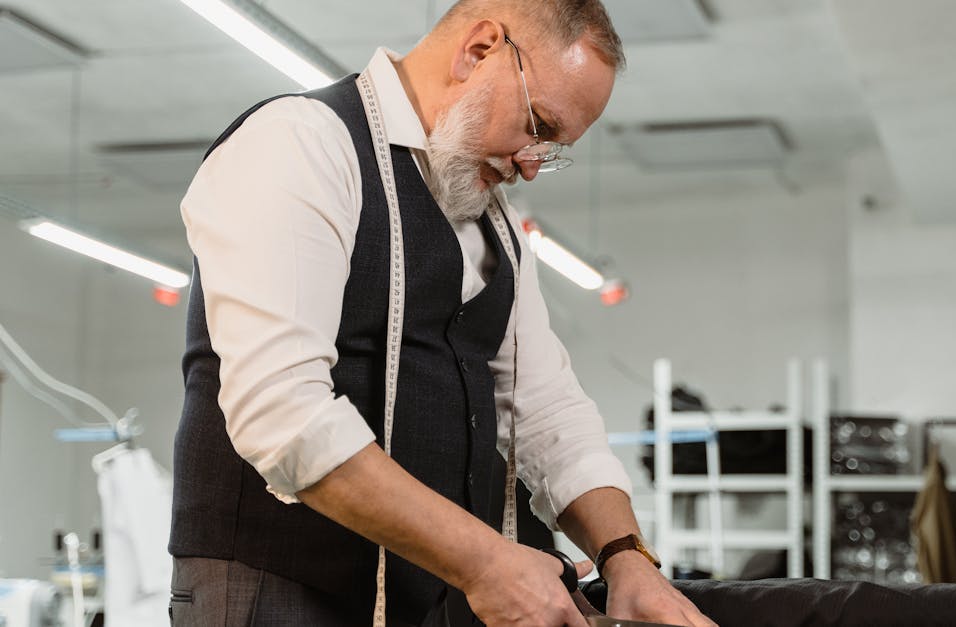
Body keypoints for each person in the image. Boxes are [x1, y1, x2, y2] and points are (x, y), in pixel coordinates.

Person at [168, 1, 716, 625]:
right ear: (479, 50)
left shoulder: (496, 227)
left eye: (553, 147)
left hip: (422, 596)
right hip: (275, 591)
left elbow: (547, 410)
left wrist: (626, 559)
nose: (532, 166)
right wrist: (486, 562)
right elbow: (284, 413)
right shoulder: (300, 143)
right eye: (537, 124)